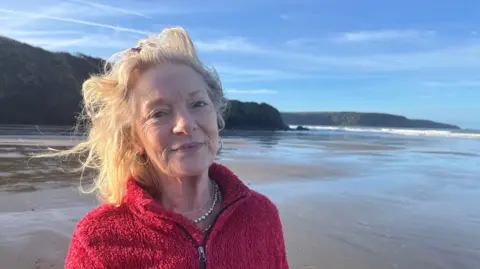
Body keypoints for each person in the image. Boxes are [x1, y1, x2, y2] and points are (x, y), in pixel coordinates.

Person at [57, 27, 289, 268]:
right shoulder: (98, 240)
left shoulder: (261, 216)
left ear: (216, 116)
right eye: (159, 113)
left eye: (198, 103)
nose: (185, 124)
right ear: (134, 138)